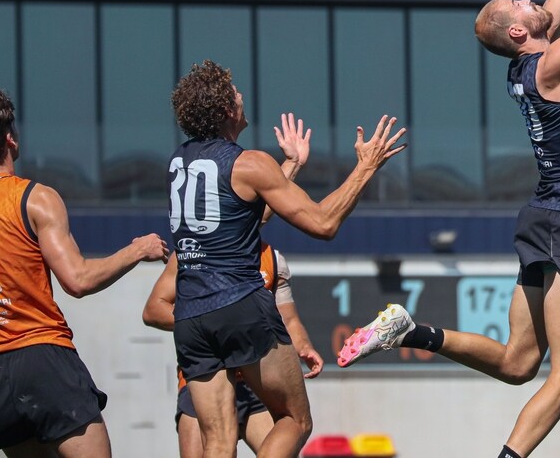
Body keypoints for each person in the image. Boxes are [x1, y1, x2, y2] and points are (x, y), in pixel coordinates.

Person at [335, 0, 560, 458]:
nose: (533, 0)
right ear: (519, 30)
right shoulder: (550, 66)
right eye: (523, 4)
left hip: (541, 215)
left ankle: (411, 331)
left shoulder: (528, 63)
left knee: (520, 363)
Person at [169, 63, 405, 458]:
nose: (242, 96)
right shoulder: (249, 162)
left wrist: (291, 165)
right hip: (239, 305)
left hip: (190, 315)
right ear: (226, 109)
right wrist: (366, 167)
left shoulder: (180, 162)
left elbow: (243, 216)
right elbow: (323, 223)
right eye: (236, 92)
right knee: (295, 421)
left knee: (218, 440)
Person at [0, 89, 170, 457]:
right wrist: (138, 248)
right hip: (41, 357)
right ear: (10, 139)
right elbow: (77, 279)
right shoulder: (35, 198)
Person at [143, 241, 324, 458]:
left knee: (289, 437)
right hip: (206, 379)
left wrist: (304, 347)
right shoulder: (192, 251)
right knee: (216, 446)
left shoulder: (272, 259)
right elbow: (153, 310)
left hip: (254, 383)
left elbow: (289, 319)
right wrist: (213, 323)